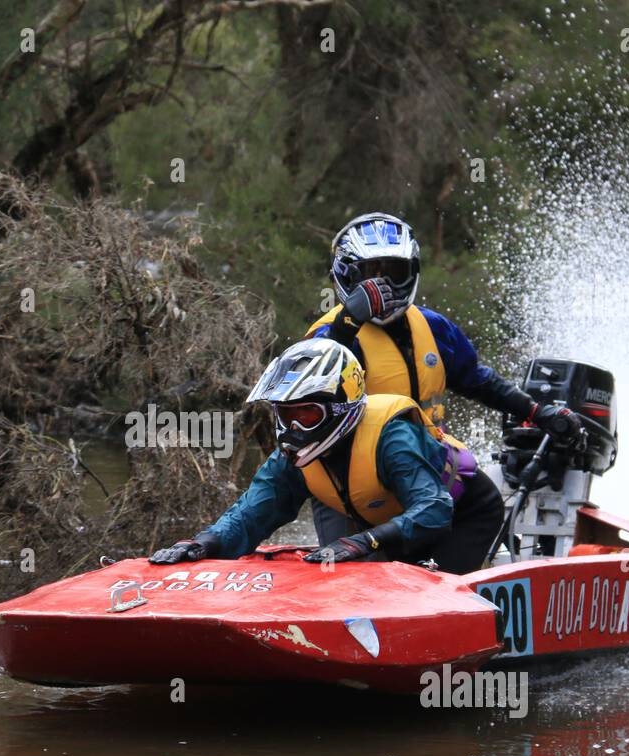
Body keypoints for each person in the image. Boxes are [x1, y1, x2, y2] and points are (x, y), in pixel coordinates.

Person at [306, 211, 584, 544]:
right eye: (370, 275)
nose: (382, 287)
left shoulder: (433, 327)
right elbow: (313, 389)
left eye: (393, 273)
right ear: (346, 276)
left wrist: (537, 413)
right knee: (344, 572)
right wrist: (348, 324)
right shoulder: (327, 334)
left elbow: (477, 380)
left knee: (485, 507)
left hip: (422, 471)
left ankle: (455, 582)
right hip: (347, 482)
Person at [148, 339, 504, 574]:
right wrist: (202, 543)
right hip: (388, 525)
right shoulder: (295, 453)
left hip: (463, 516)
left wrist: (364, 541)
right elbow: (251, 513)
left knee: (426, 582)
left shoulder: (393, 437)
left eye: (306, 415)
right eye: (285, 416)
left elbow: (433, 510)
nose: (293, 428)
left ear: (341, 407)